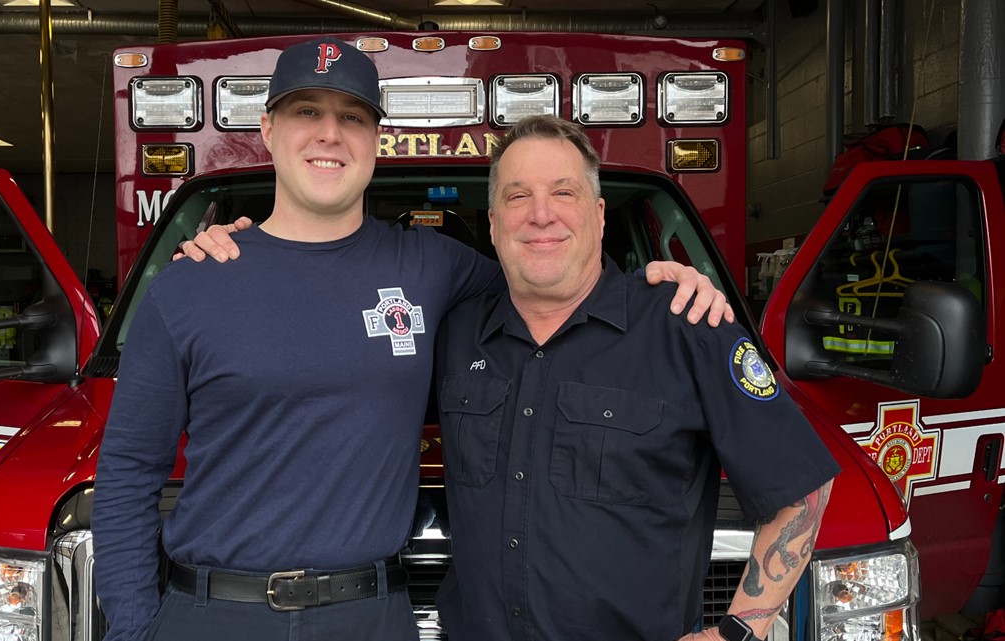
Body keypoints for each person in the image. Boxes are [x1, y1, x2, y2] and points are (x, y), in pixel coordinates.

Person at [111, 37, 729, 641]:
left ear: (376, 139)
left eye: (353, 117)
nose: (330, 134)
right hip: (215, 614)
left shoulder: (433, 265)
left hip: (372, 615)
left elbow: (554, 280)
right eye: (307, 112)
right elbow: (128, 473)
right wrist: (133, 629)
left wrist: (657, 286)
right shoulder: (190, 286)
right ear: (268, 129)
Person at [431, 115, 839, 641]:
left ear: (599, 215)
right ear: (492, 223)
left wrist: (740, 630)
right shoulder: (455, 331)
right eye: (517, 196)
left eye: (564, 192)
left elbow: (802, 485)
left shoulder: (688, 325)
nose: (541, 214)